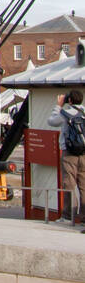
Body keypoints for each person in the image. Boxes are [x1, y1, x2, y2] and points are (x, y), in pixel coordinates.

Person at [48, 91, 85, 227]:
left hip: (69, 153)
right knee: (84, 186)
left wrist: (58, 105)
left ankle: (69, 216)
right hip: (84, 154)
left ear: (69, 101)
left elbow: (51, 121)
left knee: (69, 184)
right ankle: (84, 217)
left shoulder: (65, 114)